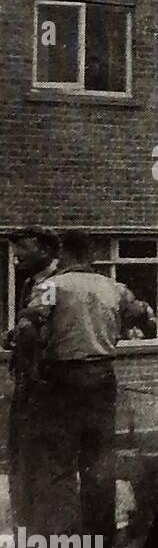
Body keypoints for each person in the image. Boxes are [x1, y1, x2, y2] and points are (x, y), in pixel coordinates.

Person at [20, 230, 155, 544]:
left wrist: (32, 367)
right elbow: (146, 319)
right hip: (103, 380)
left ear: (64, 254)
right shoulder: (114, 288)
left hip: (62, 382)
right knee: (98, 461)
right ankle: (101, 541)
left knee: (59, 464)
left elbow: (28, 327)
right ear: (91, 255)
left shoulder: (52, 287)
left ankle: (65, 542)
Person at [2, 226, 61, 528]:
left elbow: (40, 321)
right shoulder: (31, 282)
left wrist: (23, 332)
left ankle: (43, 525)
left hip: (49, 382)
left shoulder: (54, 282)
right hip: (28, 377)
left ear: (44, 249)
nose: (16, 257)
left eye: (22, 249)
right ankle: (25, 522)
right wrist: (15, 335)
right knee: (21, 450)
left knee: (44, 455)